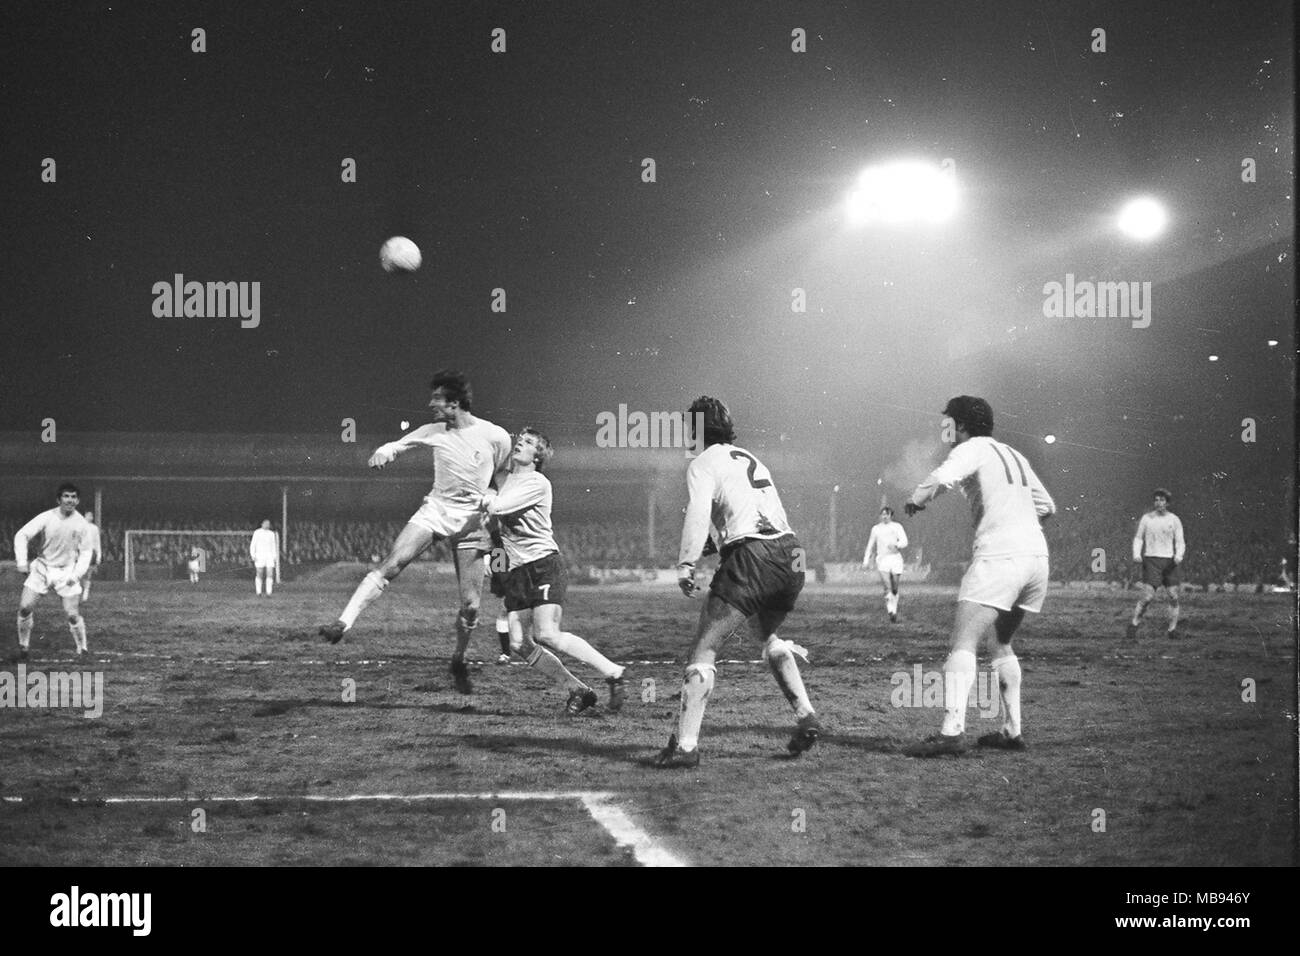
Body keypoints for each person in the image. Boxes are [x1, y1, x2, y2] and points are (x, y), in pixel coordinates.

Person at [318, 370, 512, 696]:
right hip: (435, 512)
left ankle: (458, 658)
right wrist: (385, 452)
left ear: (454, 403)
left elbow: (502, 478)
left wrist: (494, 497)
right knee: (392, 563)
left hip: (471, 522)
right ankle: (343, 622)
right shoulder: (434, 430)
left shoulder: (496, 436)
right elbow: (400, 444)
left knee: (471, 606)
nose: (431, 403)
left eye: (437, 398)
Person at [655, 397, 820, 768]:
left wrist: (686, 563)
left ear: (696, 431)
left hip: (752, 558)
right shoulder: (750, 457)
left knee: (704, 647)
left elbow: (699, 513)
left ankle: (685, 748)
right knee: (767, 635)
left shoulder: (703, 462)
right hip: (790, 555)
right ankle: (806, 715)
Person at [902, 396, 1055, 756]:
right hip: (1036, 558)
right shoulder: (1014, 454)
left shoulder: (972, 449)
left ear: (963, 425)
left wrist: (917, 498)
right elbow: (1047, 507)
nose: (947, 430)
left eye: (950, 423)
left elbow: (942, 477)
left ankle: (951, 733)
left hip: (1000, 557)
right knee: (1000, 643)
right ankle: (1012, 731)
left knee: (963, 643)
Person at [480, 428, 627, 714]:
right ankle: (578, 689)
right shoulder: (505, 481)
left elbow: (496, 508)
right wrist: (495, 563)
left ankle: (614, 672)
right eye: (519, 440)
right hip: (518, 570)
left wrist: (483, 498)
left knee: (547, 633)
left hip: (543, 564)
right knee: (520, 643)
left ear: (538, 456)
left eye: (528, 443)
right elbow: (495, 530)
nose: (519, 444)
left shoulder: (537, 483)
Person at [13, 484, 94, 660]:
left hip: (67, 571)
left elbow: (87, 551)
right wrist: (21, 562)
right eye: (66, 496)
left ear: (77, 500)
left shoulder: (81, 524)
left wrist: (76, 574)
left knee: (72, 614)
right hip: (42, 568)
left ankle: (83, 649)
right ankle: (24, 647)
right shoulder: (46, 517)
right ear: (59, 500)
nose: (70, 500)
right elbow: (22, 535)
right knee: (25, 607)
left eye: (73, 497)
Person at [1127, 488, 1186, 640]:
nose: (1159, 503)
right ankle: (1134, 624)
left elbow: (1180, 541)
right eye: (1156, 500)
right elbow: (1139, 538)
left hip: (1169, 561)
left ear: (1167, 503)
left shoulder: (1174, 520)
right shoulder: (1147, 518)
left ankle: (1172, 630)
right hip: (1151, 560)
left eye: (1162, 500)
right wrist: (1136, 553)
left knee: (1173, 596)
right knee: (1148, 597)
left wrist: (1179, 555)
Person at [862, 506, 909, 622]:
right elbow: (870, 545)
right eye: (882, 514)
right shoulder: (876, 529)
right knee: (887, 586)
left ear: (891, 515)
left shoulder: (897, 527)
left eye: (886, 514)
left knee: (894, 588)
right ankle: (891, 611)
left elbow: (904, 541)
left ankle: (894, 607)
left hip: (895, 558)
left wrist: (897, 545)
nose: (884, 516)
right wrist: (866, 560)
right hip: (882, 559)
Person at [250, 519, 279, 596]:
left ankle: (268, 592)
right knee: (259, 573)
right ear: (262, 524)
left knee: (270, 573)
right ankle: (258, 592)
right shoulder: (257, 532)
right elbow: (253, 544)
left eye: (268, 524)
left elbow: (273, 546)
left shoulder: (271, 534)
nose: (267, 525)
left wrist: (274, 556)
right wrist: (253, 555)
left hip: (269, 556)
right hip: (259, 556)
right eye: (266, 523)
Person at [80, 511, 103, 601]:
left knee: (88, 574)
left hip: (91, 553)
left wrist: (99, 555)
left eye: (91, 515)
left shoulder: (95, 528)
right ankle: (82, 590)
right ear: (84, 516)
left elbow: (97, 542)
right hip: (82, 552)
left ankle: (86, 592)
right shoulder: (80, 527)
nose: (90, 517)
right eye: (88, 515)